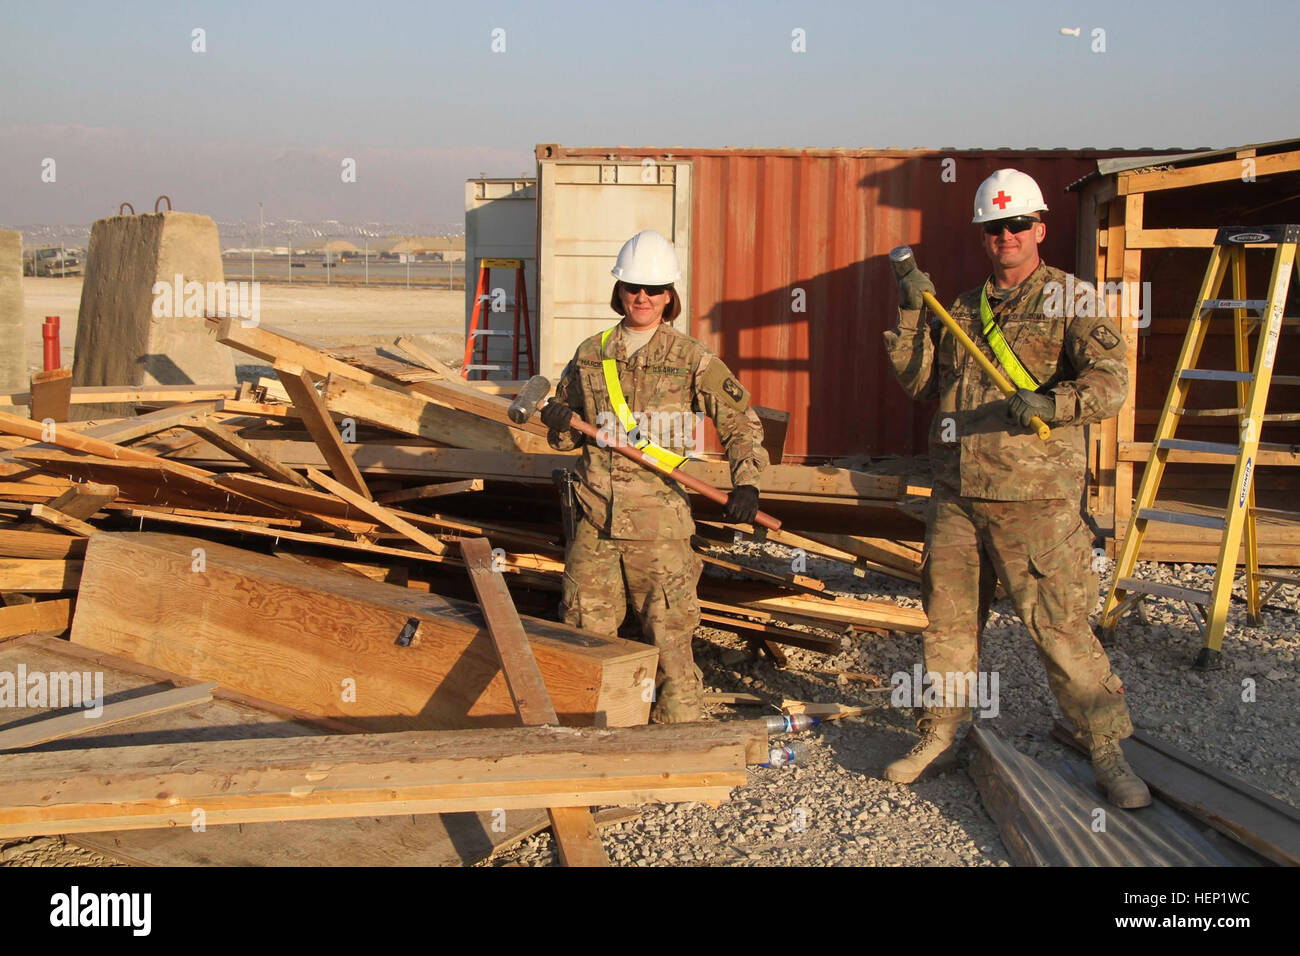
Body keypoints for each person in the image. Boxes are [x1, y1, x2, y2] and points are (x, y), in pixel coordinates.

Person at [881, 169, 1150, 808]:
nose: (1006, 236)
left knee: (1059, 627)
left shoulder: (1071, 299)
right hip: (957, 494)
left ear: (1039, 230)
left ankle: (1108, 749)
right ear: (983, 236)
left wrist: (1053, 404)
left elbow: (1113, 383)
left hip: (1035, 498)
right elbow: (921, 385)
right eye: (994, 228)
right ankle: (942, 732)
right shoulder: (964, 307)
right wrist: (913, 313)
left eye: (1017, 225)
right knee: (947, 626)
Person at [542, 229, 769, 723]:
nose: (642, 298)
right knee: (586, 638)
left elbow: (741, 423)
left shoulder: (692, 360)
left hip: (660, 529)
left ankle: (678, 745)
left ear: (670, 295)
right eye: (632, 287)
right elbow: (565, 437)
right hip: (595, 520)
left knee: (670, 642)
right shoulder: (589, 354)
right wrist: (558, 424)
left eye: (654, 289)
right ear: (618, 290)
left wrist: (747, 483)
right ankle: (592, 743)